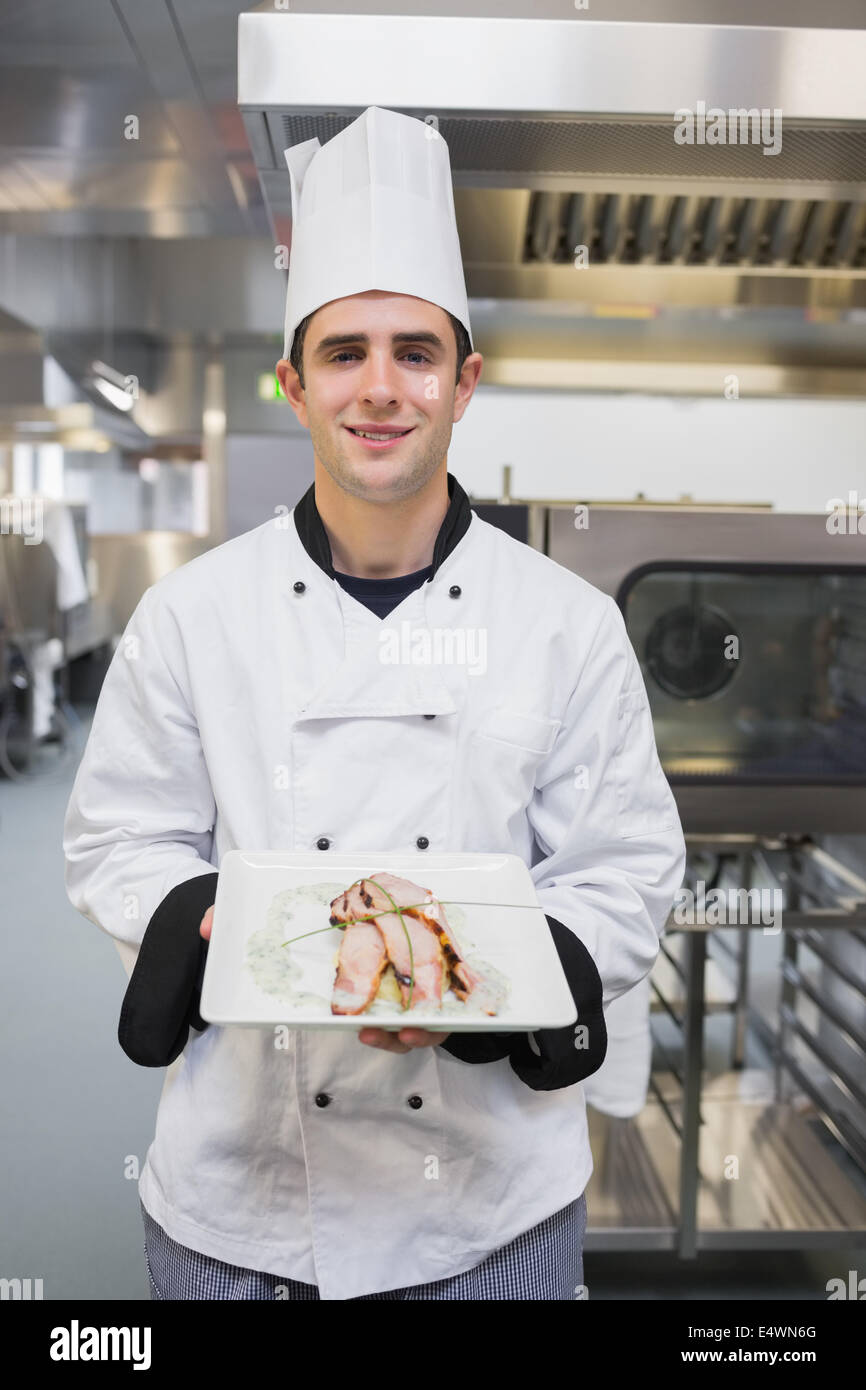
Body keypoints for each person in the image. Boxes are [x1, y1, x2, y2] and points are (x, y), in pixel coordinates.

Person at [63, 107, 686, 1301]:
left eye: (415, 352)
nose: (379, 388)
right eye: (344, 353)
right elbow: (119, 837)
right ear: (294, 383)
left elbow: (622, 867)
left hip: (493, 1207)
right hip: (242, 1201)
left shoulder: (563, 623)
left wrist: (514, 973)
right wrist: (198, 917)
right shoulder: (194, 616)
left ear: (465, 383)